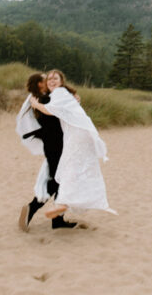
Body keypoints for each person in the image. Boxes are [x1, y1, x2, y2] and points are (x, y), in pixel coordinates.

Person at [28, 69, 116, 219]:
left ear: (62, 81)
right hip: (77, 135)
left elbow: (51, 111)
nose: (51, 81)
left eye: (55, 78)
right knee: (70, 169)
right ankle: (61, 208)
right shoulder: (61, 95)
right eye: (49, 79)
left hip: (74, 136)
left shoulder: (59, 94)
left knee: (65, 171)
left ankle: (56, 206)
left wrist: (35, 104)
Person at [16, 73, 79, 230]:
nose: (48, 81)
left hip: (55, 144)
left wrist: (74, 96)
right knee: (57, 181)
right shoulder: (43, 100)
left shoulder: (43, 98)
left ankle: (57, 220)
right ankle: (33, 207)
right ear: (39, 84)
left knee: (59, 180)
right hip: (56, 145)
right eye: (45, 80)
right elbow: (57, 111)